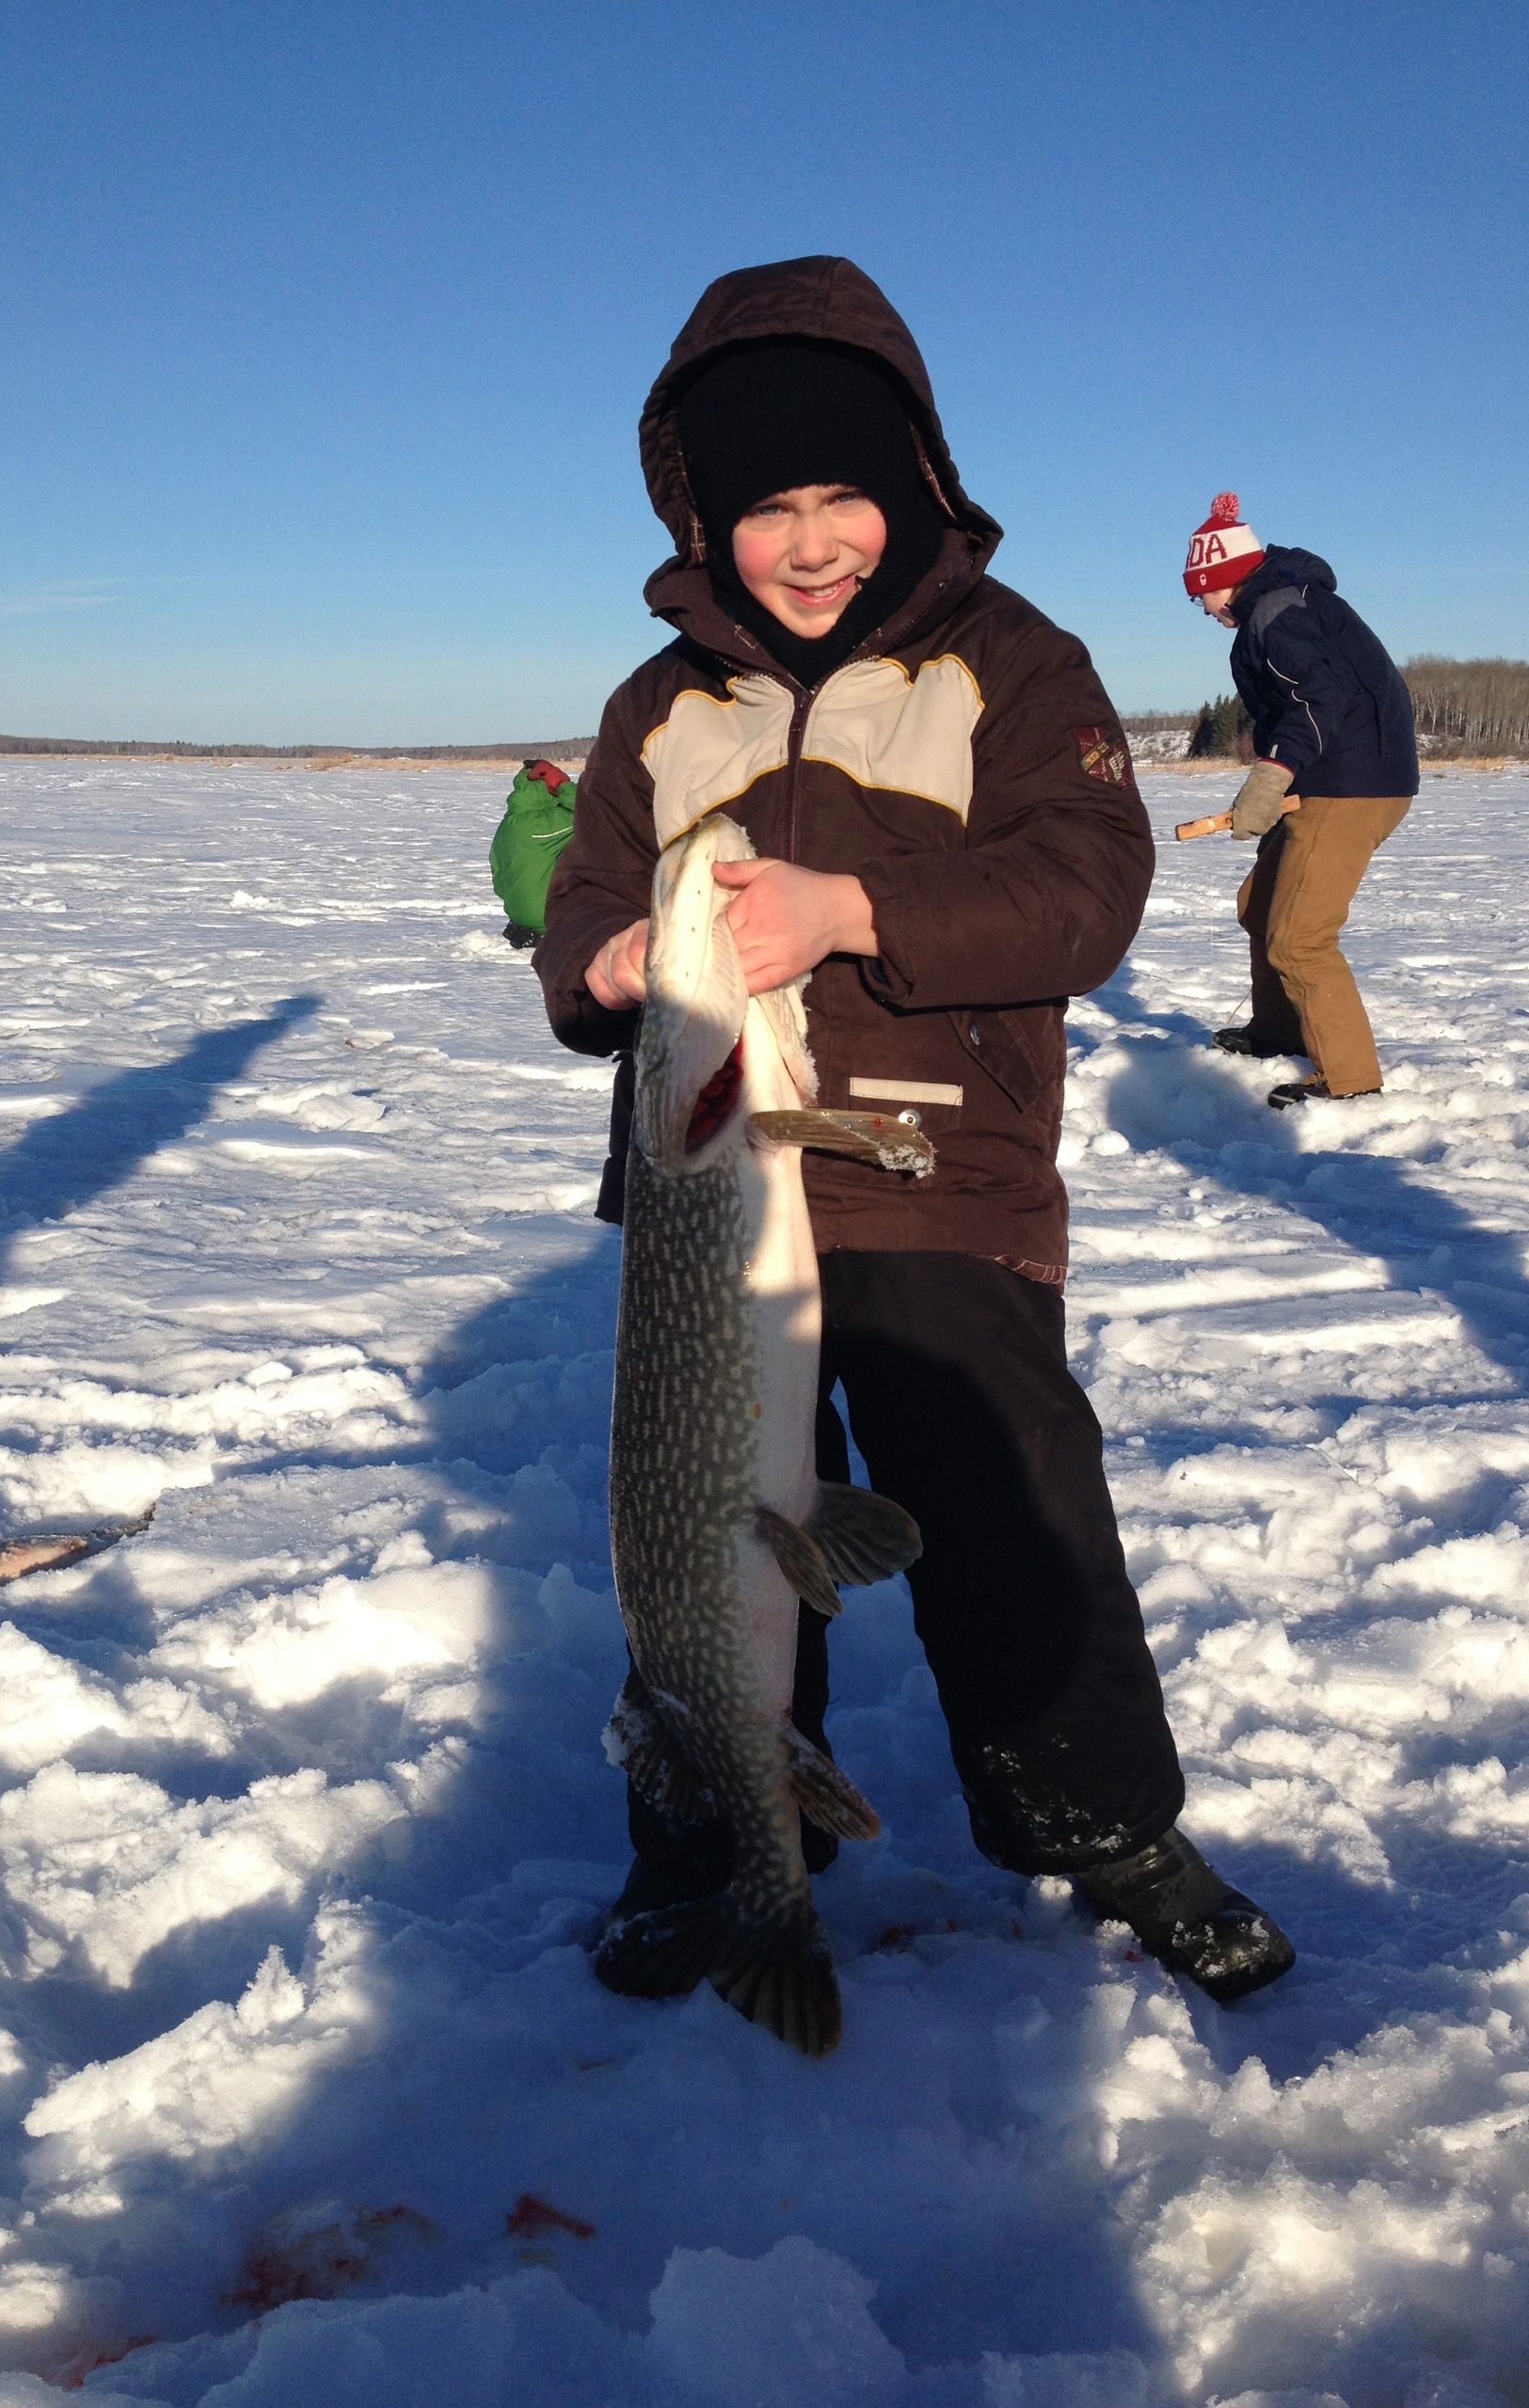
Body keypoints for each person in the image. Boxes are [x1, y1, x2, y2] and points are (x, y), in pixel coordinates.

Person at [536, 258, 1295, 2006]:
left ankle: (1100, 1825)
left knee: (1012, 1500)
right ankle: (726, 1834)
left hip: (932, 1174)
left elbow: (1088, 893)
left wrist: (855, 909)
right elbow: (577, 906)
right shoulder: (660, 707)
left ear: (915, 483)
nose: (811, 544)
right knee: (703, 1529)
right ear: (703, 519)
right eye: (766, 510)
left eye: (843, 497)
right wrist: (612, 957)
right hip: (708, 1177)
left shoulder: (1013, 667)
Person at [1185, 493, 1419, 1109]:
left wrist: (1273, 774)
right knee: (1260, 907)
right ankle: (1277, 1030)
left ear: (1224, 579)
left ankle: (1349, 1079)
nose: (1201, 608)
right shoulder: (1284, 606)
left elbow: (1319, 701)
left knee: (1299, 938)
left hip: (1347, 786)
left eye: (1199, 594)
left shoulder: (1278, 614)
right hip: (1331, 779)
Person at [489, 757, 578, 948]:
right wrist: (564, 786)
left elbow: (498, 875)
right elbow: (584, 813)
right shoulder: (536, 825)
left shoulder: (508, 825)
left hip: (518, 913)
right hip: (545, 915)